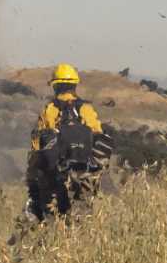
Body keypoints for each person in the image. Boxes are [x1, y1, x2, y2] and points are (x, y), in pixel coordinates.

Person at [25, 63, 110, 224]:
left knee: (50, 216)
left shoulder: (50, 110)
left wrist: (32, 183)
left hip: (55, 176)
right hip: (84, 174)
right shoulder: (86, 109)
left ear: (55, 86)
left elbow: (36, 147)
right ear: (75, 85)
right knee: (83, 215)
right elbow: (99, 137)